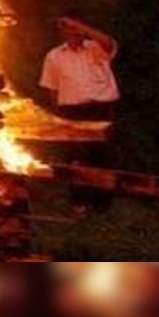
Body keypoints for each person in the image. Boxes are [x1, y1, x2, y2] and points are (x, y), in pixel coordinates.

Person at [40, 13, 120, 213]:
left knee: (100, 157)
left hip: (99, 109)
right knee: (75, 158)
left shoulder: (95, 48)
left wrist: (80, 26)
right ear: (62, 33)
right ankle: (79, 201)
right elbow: (52, 87)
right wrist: (57, 115)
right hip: (71, 111)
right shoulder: (54, 56)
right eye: (67, 28)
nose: (72, 32)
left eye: (75, 28)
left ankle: (102, 203)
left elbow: (108, 42)